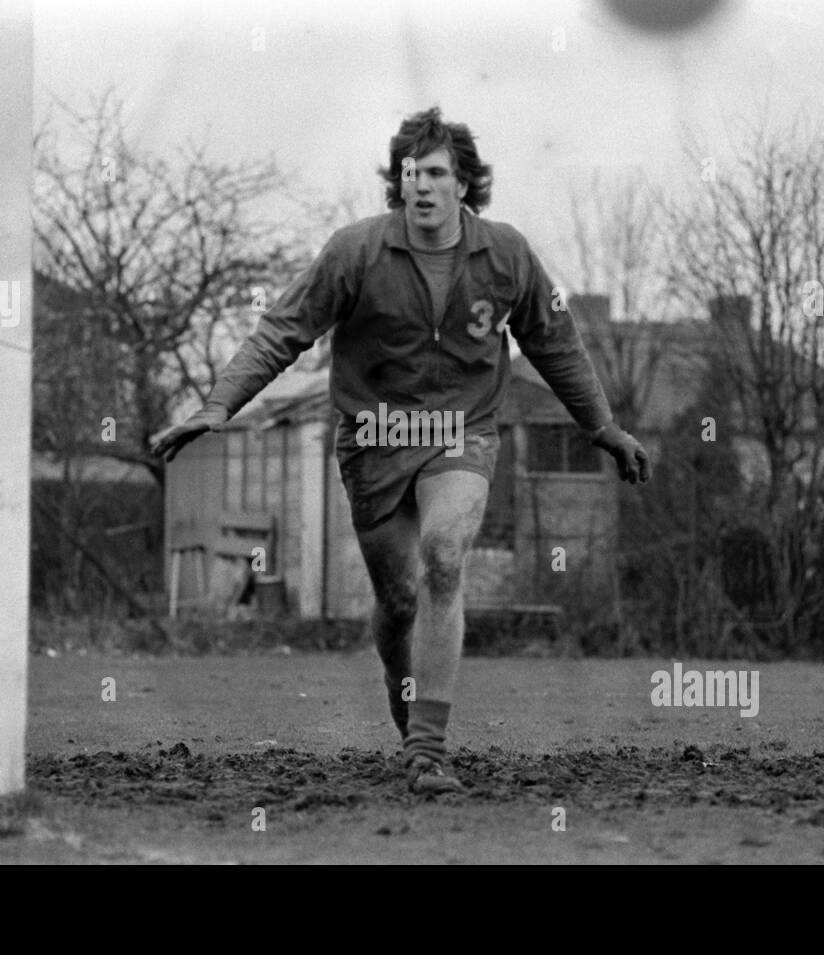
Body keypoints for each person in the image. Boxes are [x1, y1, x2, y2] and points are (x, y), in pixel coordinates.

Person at [151, 107, 649, 794]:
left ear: (464, 183)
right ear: (398, 182)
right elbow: (282, 330)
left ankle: (428, 749)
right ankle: (401, 680)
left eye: (437, 173)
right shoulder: (355, 252)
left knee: (445, 555)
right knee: (400, 600)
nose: (421, 185)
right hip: (375, 440)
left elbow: (556, 344)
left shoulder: (506, 255)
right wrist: (218, 404)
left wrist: (602, 427)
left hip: (461, 431)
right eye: (411, 172)